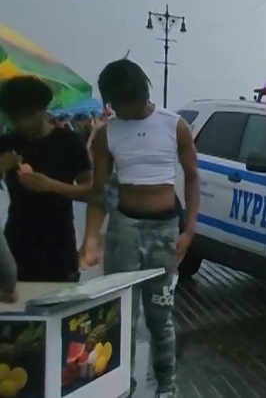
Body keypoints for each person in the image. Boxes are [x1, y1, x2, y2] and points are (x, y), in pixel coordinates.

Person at [79, 58, 200, 398]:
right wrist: (90, 238)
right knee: (122, 316)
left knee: (161, 316)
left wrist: (188, 231)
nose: (121, 111)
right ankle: (122, 386)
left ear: (141, 94)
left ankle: (167, 386)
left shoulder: (174, 126)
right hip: (124, 230)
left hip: (164, 229)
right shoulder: (107, 133)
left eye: (124, 104)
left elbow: (192, 177)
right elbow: (100, 192)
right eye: (114, 105)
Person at [0, 76, 93, 283]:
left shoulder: (67, 142)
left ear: (44, 109)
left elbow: (91, 191)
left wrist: (50, 185)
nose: (23, 124)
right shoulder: (7, 143)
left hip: (59, 244)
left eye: (29, 115)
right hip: (16, 242)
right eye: (16, 118)